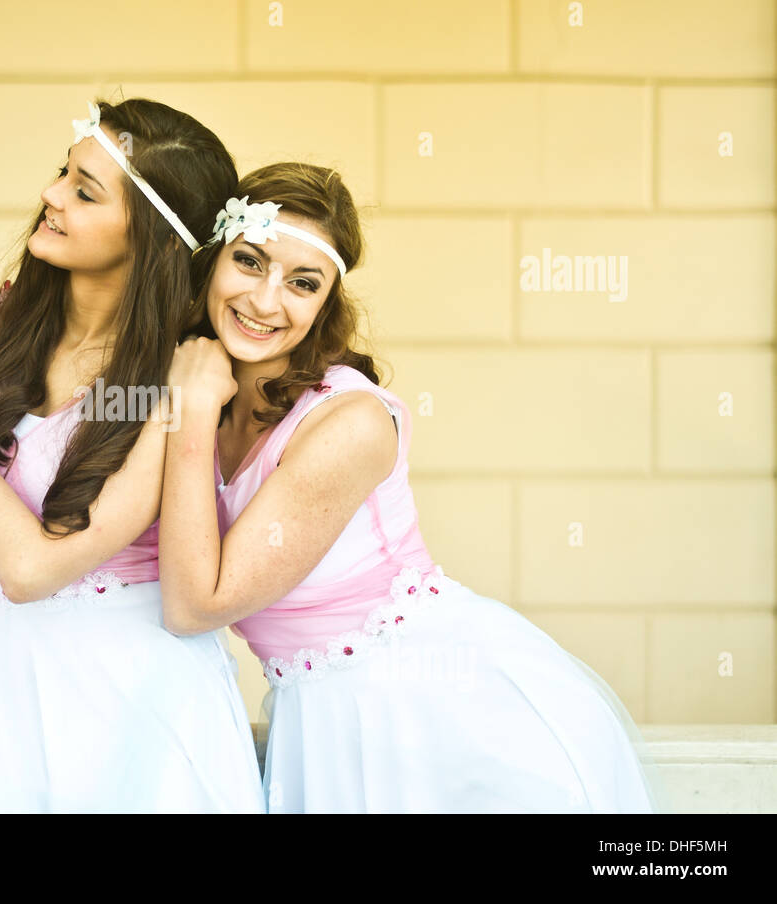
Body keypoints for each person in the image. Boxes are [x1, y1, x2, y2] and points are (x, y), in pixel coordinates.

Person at [160, 162, 665, 813]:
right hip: (317, 718)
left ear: (324, 306)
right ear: (213, 261)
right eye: (250, 262)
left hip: (435, 713)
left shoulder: (349, 422)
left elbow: (197, 605)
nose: (265, 301)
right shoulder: (203, 389)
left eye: (302, 283)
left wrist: (192, 410)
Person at [0, 99, 265, 813]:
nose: (50, 196)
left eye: (84, 191)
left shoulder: (176, 381)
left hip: (134, 704)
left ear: (157, 241)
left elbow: (31, 569)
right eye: (62, 174)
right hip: (1, 686)